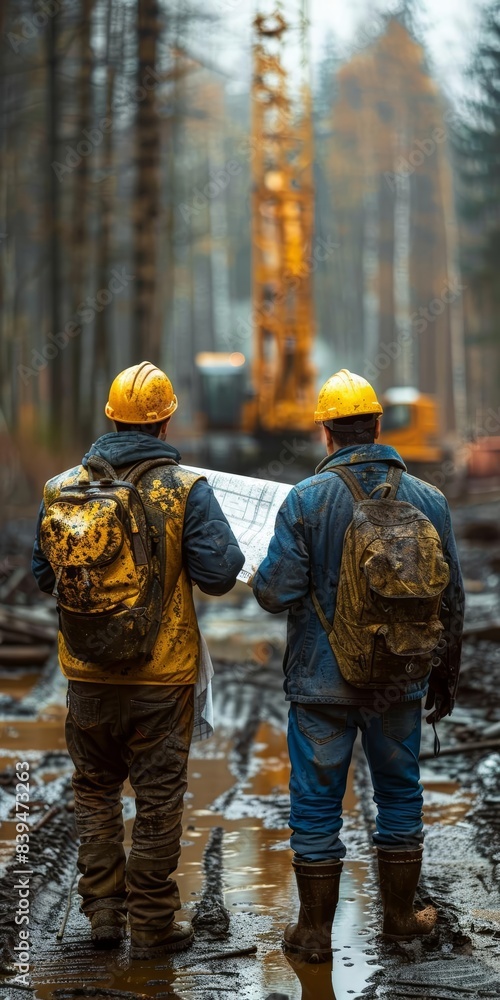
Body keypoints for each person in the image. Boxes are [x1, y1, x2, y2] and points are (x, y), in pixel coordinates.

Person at [32, 361, 245, 958]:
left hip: (86, 675)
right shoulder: (184, 489)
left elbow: (43, 575)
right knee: (156, 801)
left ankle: (102, 912)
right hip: (162, 675)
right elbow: (222, 575)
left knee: (95, 790)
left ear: (110, 416)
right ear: (166, 419)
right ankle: (152, 924)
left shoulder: (62, 488)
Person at [252, 369, 464, 962]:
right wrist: (443, 675)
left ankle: (314, 932)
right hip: (397, 682)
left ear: (325, 432)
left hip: (321, 686)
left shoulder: (304, 500)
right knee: (399, 792)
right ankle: (400, 917)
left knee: (316, 800)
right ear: (377, 424)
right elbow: (451, 599)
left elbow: (274, 593)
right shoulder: (429, 499)